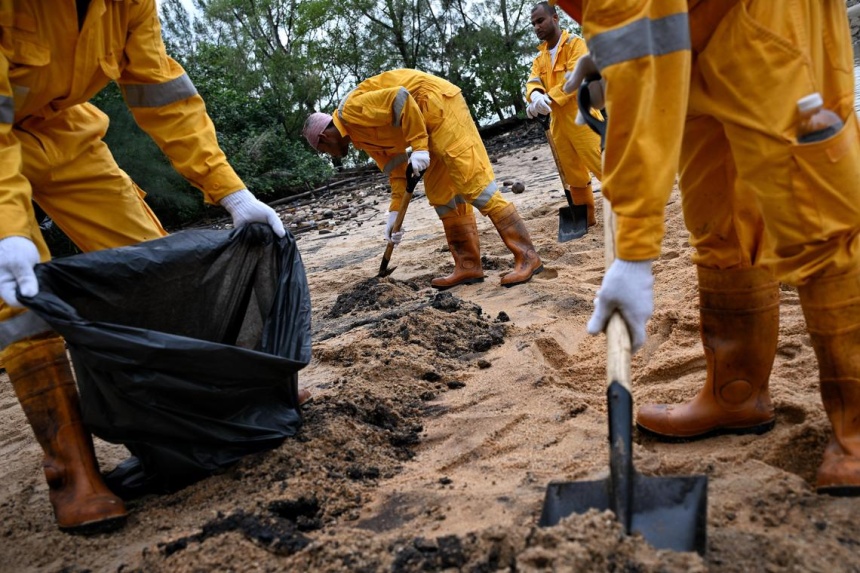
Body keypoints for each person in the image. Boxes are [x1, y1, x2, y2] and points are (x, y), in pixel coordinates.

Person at [0, 0, 304, 534]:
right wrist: (7, 226)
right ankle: (69, 469)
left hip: (64, 130)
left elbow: (163, 92)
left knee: (149, 265)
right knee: (19, 301)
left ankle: (210, 411)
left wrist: (230, 190)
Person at [558, 0, 860, 495]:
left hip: (766, 22)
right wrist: (608, 54)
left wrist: (633, 255)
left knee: (817, 218)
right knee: (716, 217)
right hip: (689, 37)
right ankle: (736, 393)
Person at [302, 69, 544, 290]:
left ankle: (528, 257)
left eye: (325, 152)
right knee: (442, 195)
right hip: (425, 126)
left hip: (438, 104)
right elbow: (397, 171)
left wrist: (418, 146)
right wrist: (394, 214)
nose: (331, 156)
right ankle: (468, 265)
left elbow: (401, 98)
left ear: (324, 138)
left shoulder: (352, 110)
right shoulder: (360, 138)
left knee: (474, 185)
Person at [526, 1, 603, 227]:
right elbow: (532, 81)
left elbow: (574, 78)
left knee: (602, 166)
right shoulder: (540, 58)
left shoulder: (575, 44)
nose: (537, 27)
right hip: (557, 123)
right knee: (573, 175)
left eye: (540, 21)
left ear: (555, 18)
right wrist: (535, 97)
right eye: (533, 24)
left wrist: (547, 97)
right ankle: (586, 220)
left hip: (582, 116)